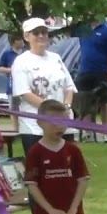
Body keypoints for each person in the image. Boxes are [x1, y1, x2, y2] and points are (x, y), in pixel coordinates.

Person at [11, 18, 77, 153]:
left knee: (66, 165)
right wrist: (52, 112)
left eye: (44, 32)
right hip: (35, 127)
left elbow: (69, 87)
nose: (41, 36)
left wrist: (65, 108)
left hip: (63, 124)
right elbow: (24, 92)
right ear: (26, 37)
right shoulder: (21, 61)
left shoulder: (56, 58)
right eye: (36, 33)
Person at [73, 16, 107, 143]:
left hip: (102, 71)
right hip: (84, 70)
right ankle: (88, 132)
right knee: (85, 102)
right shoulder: (83, 29)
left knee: (104, 102)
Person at [0, 34, 26, 135]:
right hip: (12, 84)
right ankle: (15, 128)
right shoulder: (7, 54)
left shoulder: (26, 53)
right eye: (19, 39)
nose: (22, 42)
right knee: (14, 107)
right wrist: (11, 70)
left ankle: (25, 127)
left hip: (27, 84)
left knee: (26, 106)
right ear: (14, 41)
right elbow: (0, 68)